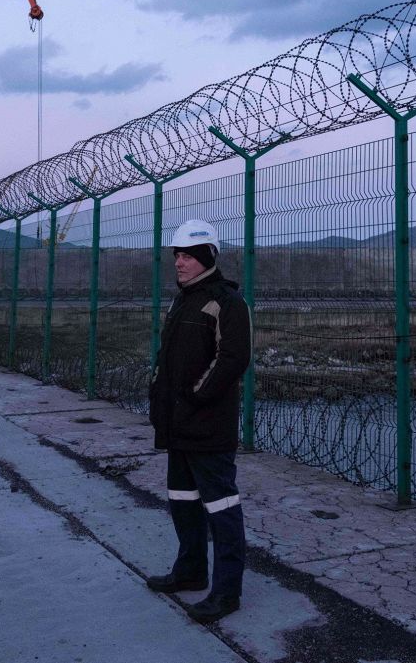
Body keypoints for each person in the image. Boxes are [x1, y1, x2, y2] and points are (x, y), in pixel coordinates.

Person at [145, 219, 252, 623]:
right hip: (177, 426)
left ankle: (227, 592)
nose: (179, 263)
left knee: (221, 507)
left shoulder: (227, 303)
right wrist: (158, 392)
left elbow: (233, 359)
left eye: (188, 256)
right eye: (176, 256)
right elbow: (166, 358)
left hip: (207, 427)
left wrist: (194, 397)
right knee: (183, 502)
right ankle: (190, 572)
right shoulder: (181, 301)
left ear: (207, 257)